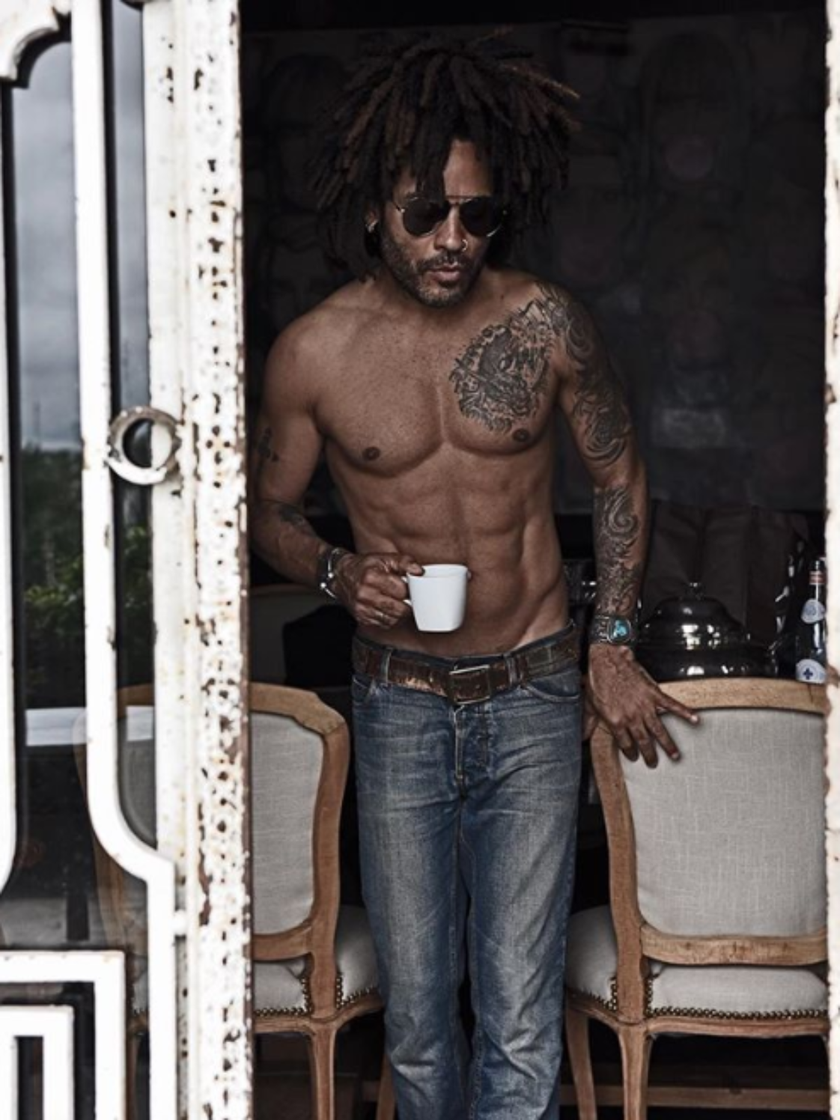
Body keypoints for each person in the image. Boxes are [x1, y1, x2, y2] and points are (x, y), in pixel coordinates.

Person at [250, 30, 698, 1120]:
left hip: (535, 689)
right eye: (425, 214)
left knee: (519, 1015)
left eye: (476, 215)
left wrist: (611, 643)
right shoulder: (315, 352)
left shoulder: (545, 324)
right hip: (399, 699)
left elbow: (621, 475)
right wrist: (337, 570)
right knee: (416, 1019)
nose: (452, 239)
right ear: (376, 212)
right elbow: (263, 509)